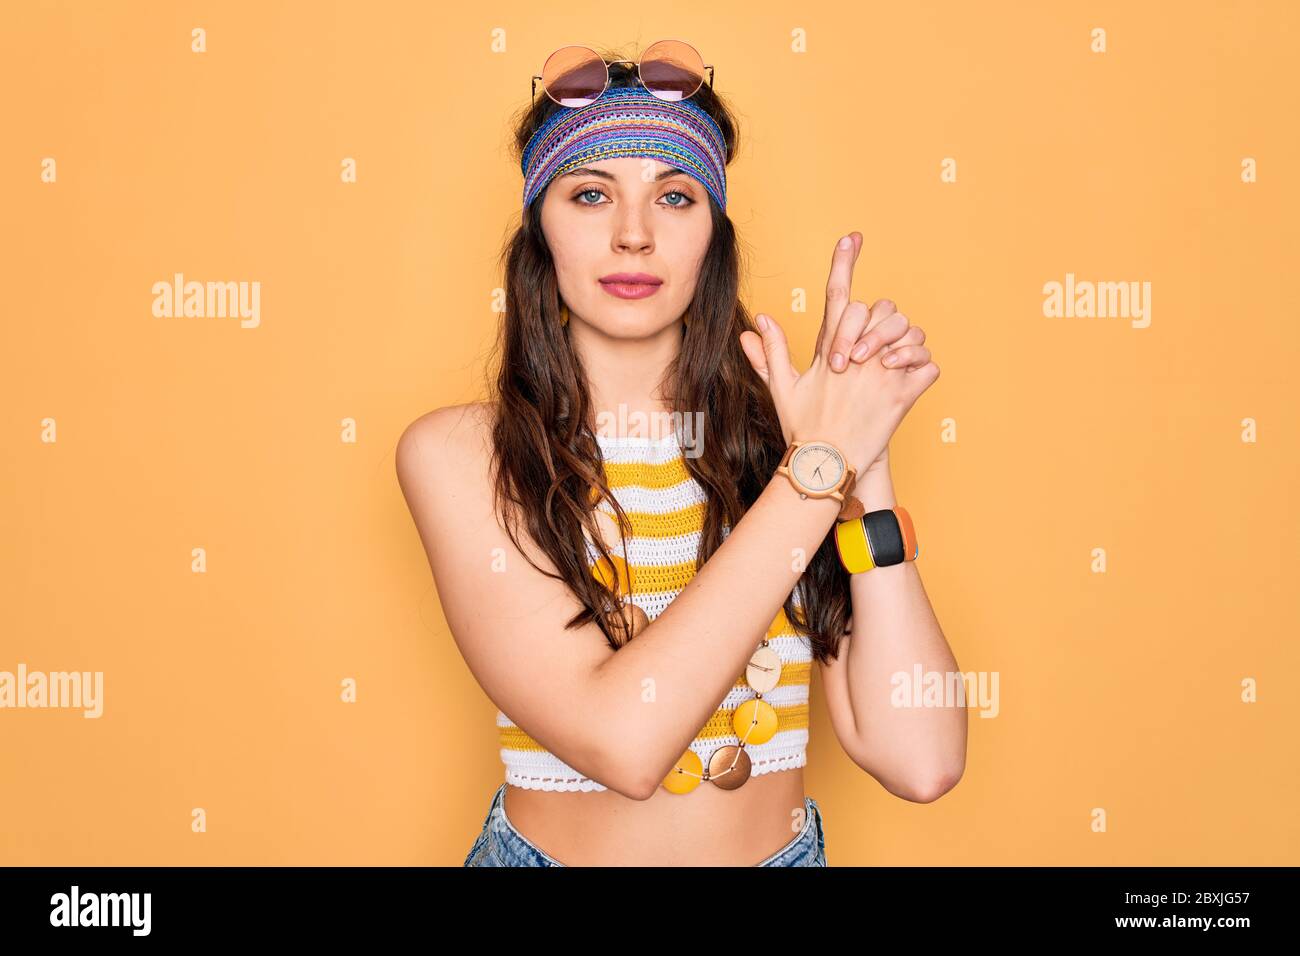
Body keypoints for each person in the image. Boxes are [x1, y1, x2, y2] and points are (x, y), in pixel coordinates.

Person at [396, 41, 964, 866]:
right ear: (539, 231)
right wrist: (820, 463)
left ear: (714, 237)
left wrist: (862, 459)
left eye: (675, 197)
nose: (634, 236)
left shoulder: (795, 451)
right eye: (590, 195)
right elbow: (623, 746)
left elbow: (924, 760)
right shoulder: (462, 453)